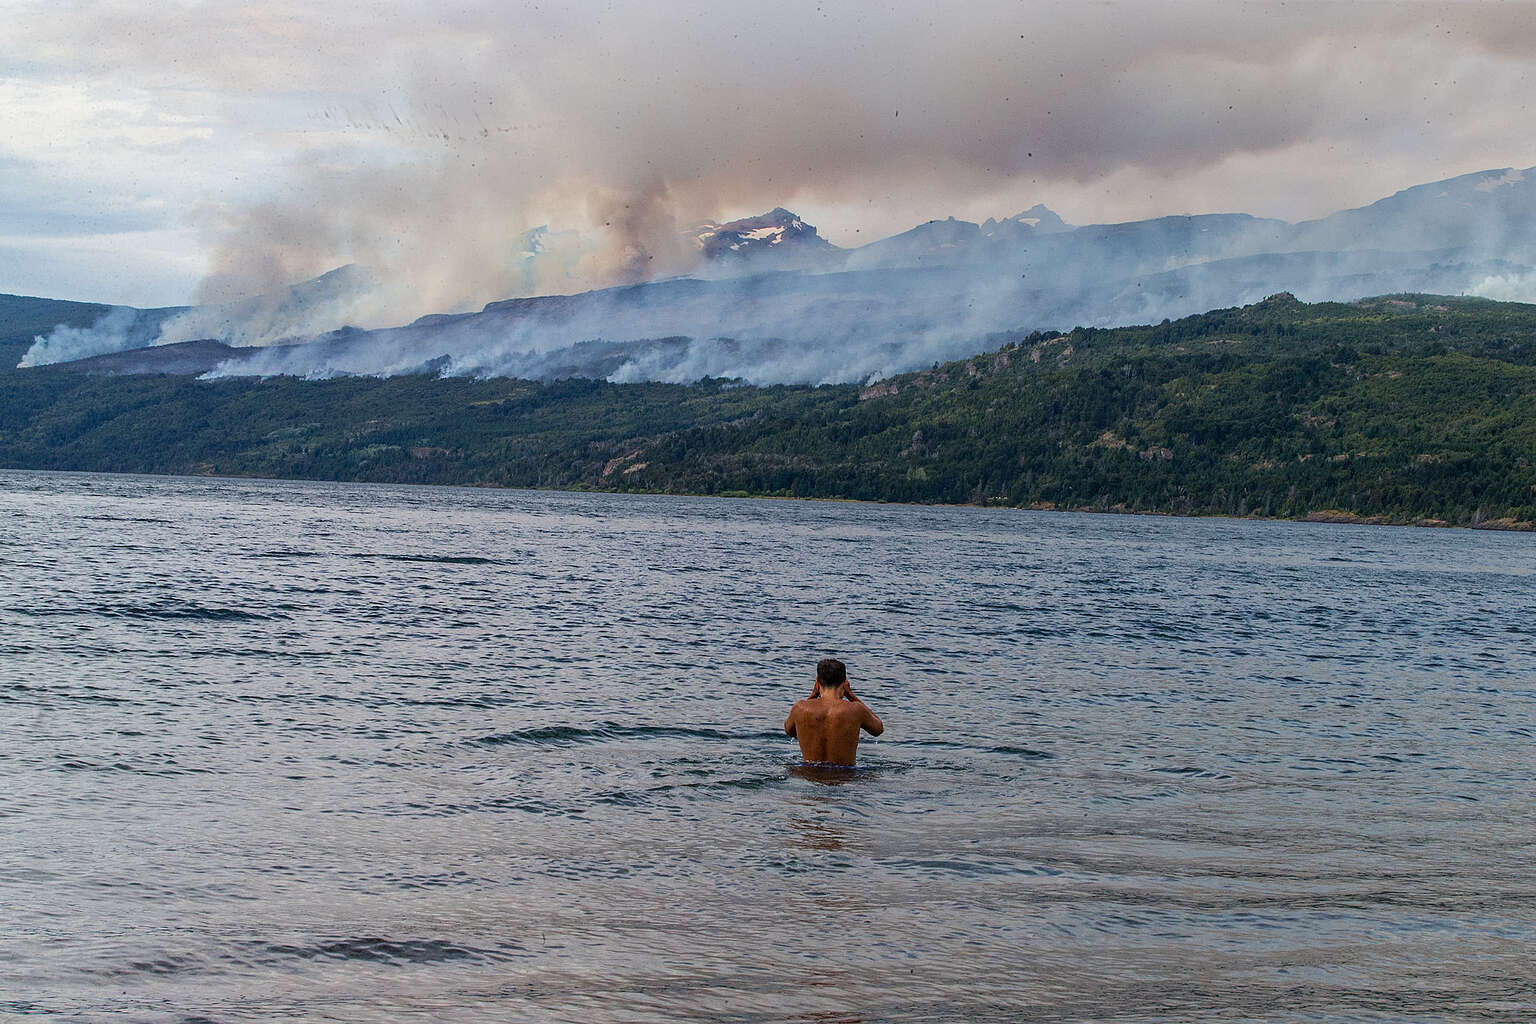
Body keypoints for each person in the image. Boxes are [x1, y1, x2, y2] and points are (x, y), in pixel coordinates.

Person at [784, 658, 884, 767]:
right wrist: (851, 695)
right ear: (845, 682)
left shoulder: (800, 708)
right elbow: (878, 729)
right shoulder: (856, 709)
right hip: (845, 775)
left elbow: (790, 731)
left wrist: (813, 695)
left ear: (817, 682)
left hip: (809, 773)